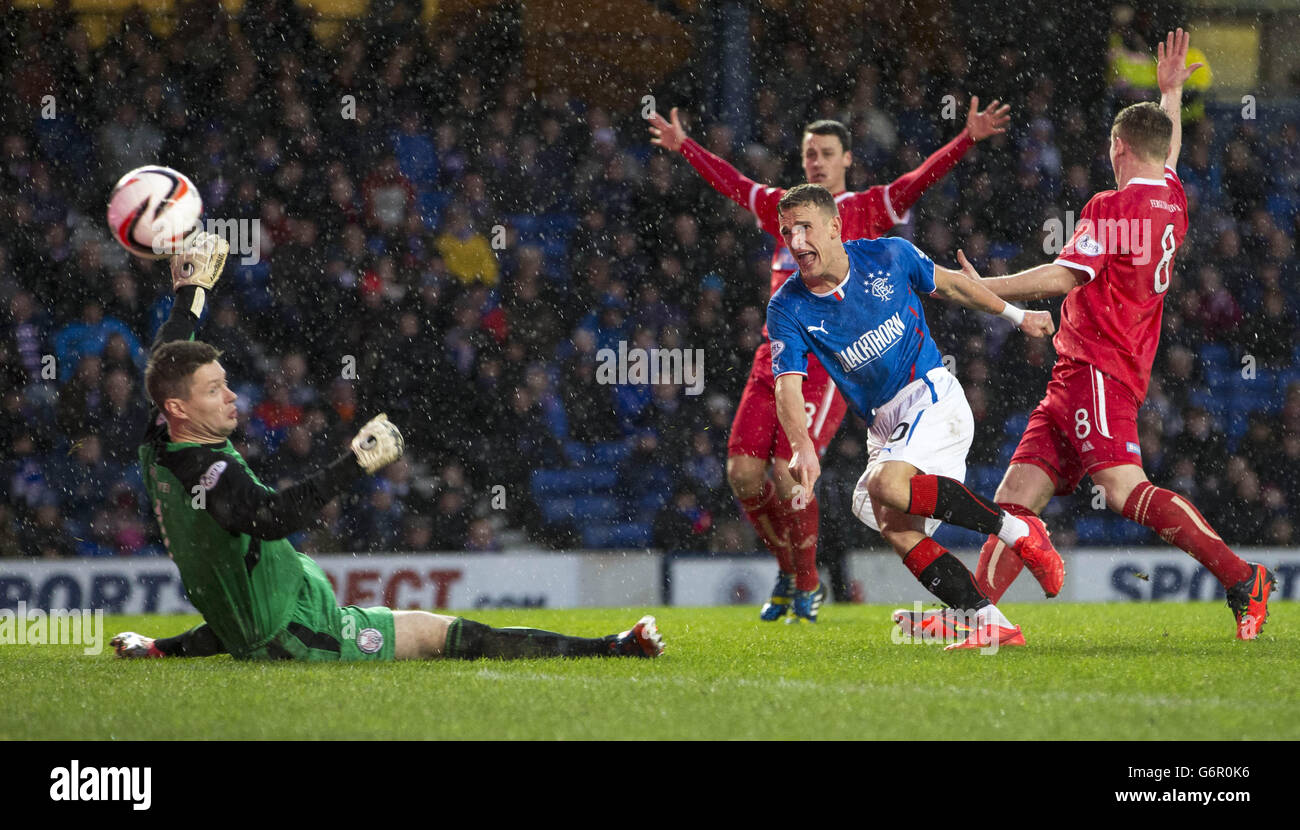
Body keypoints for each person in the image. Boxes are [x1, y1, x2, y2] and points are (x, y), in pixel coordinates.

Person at [112, 232, 663, 662]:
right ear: (180, 409)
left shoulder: (161, 439)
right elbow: (272, 516)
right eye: (215, 391)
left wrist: (191, 291)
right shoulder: (207, 474)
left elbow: (167, 358)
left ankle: (612, 645)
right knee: (436, 633)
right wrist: (356, 462)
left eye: (226, 382)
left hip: (278, 609)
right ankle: (611, 647)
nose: (233, 397)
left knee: (431, 629)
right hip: (296, 633)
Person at [929, 29, 1275, 641]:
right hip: (1086, 370)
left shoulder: (1109, 208)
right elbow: (1165, 155)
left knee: (1122, 490)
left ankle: (1242, 575)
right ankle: (977, 618)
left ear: (1118, 146)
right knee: (1015, 497)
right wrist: (1169, 94)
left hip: (1097, 367)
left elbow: (1063, 276)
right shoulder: (1171, 199)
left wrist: (983, 288)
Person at [649, 98, 1010, 622]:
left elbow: (917, 180)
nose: (815, 161)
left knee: (786, 468)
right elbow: (732, 183)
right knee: (741, 474)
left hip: (826, 363)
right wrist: (686, 148)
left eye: (825, 153)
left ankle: (809, 583)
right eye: (808, 153)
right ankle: (791, 571)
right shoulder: (785, 211)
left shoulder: (865, 208)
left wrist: (967, 139)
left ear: (847, 159)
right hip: (772, 358)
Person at [767, 184, 1061, 651]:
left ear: (835, 227)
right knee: (896, 527)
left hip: (931, 395)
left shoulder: (889, 255)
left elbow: (950, 284)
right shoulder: (788, 306)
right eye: (787, 232)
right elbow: (786, 384)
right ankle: (989, 622)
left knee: (886, 485)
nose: (796, 241)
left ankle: (1018, 531)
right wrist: (801, 444)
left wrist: (1016, 316)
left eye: (805, 228)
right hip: (884, 427)